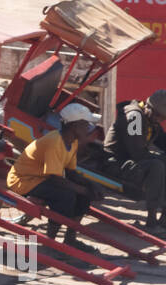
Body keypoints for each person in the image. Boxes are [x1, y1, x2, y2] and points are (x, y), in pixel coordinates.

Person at [6, 102, 99, 254]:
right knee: (64, 196)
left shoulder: (72, 142)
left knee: (84, 195)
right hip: (23, 180)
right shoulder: (55, 142)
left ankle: (70, 239)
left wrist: (90, 186)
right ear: (74, 126)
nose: (88, 128)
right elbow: (55, 178)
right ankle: (50, 242)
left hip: (41, 178)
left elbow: (70, 172)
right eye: (85, 124)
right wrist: (81, 189)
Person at [104, 88, 166, 228]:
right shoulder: (134, 116)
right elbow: (138, 153)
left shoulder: (150, 118)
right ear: (149, 106)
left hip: (132, 161)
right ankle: (151, 221)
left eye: (164, 118)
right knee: (156, 165)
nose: (160, 120)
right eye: (159, 116)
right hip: (115, 163)